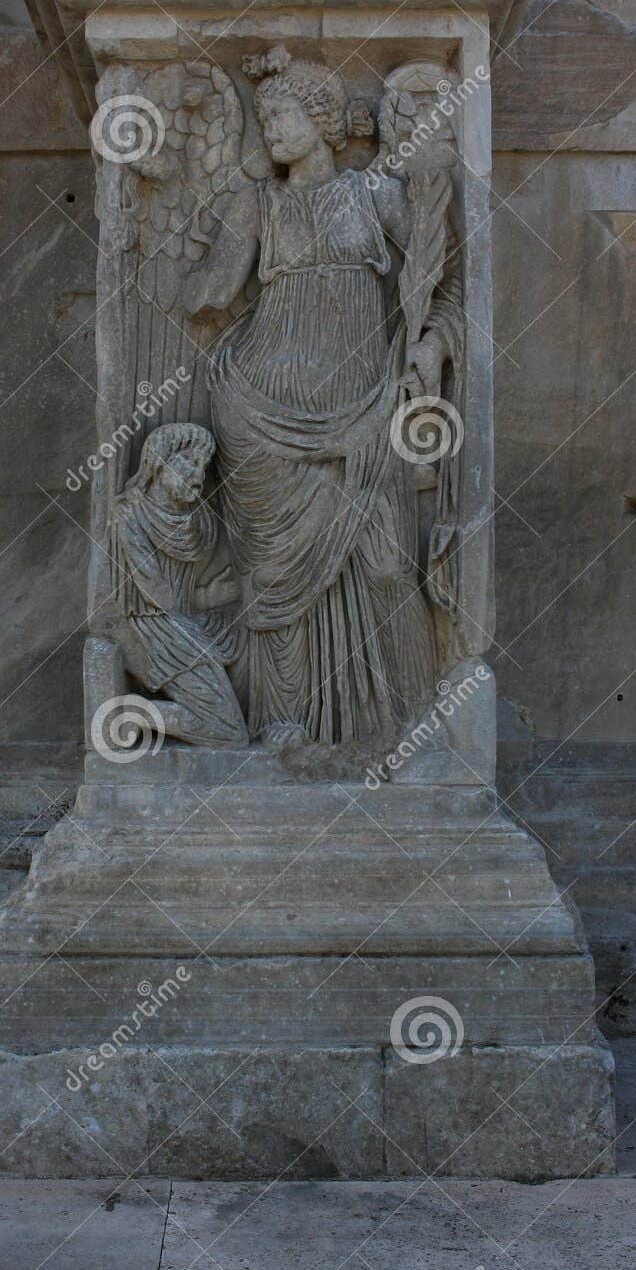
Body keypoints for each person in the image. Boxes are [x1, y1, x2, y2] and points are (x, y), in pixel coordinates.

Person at [184, 46, 439, 746]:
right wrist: (137, 236)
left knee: (386, 564)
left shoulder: (374, 194)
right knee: (271, 576)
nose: (270, 128)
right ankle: (284, 721)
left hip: (362, 401)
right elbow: (206, 296)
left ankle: (413, 716)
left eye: (282, 112)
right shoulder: (257, 205)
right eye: (262, 116)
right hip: (261, 405)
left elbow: (434, 280)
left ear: (324, 119)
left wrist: (432, 341)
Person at [108, 423, 246, 748]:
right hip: (157, 629)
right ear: (159, 461)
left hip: (188, 620)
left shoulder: (200, 519)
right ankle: (137, 714)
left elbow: (186, 595)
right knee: (229, 733)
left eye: (203, 466)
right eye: (188, 462)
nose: (198, 475)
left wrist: (213, 595)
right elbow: (158, 594)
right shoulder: (129, 513)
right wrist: (207, 599)